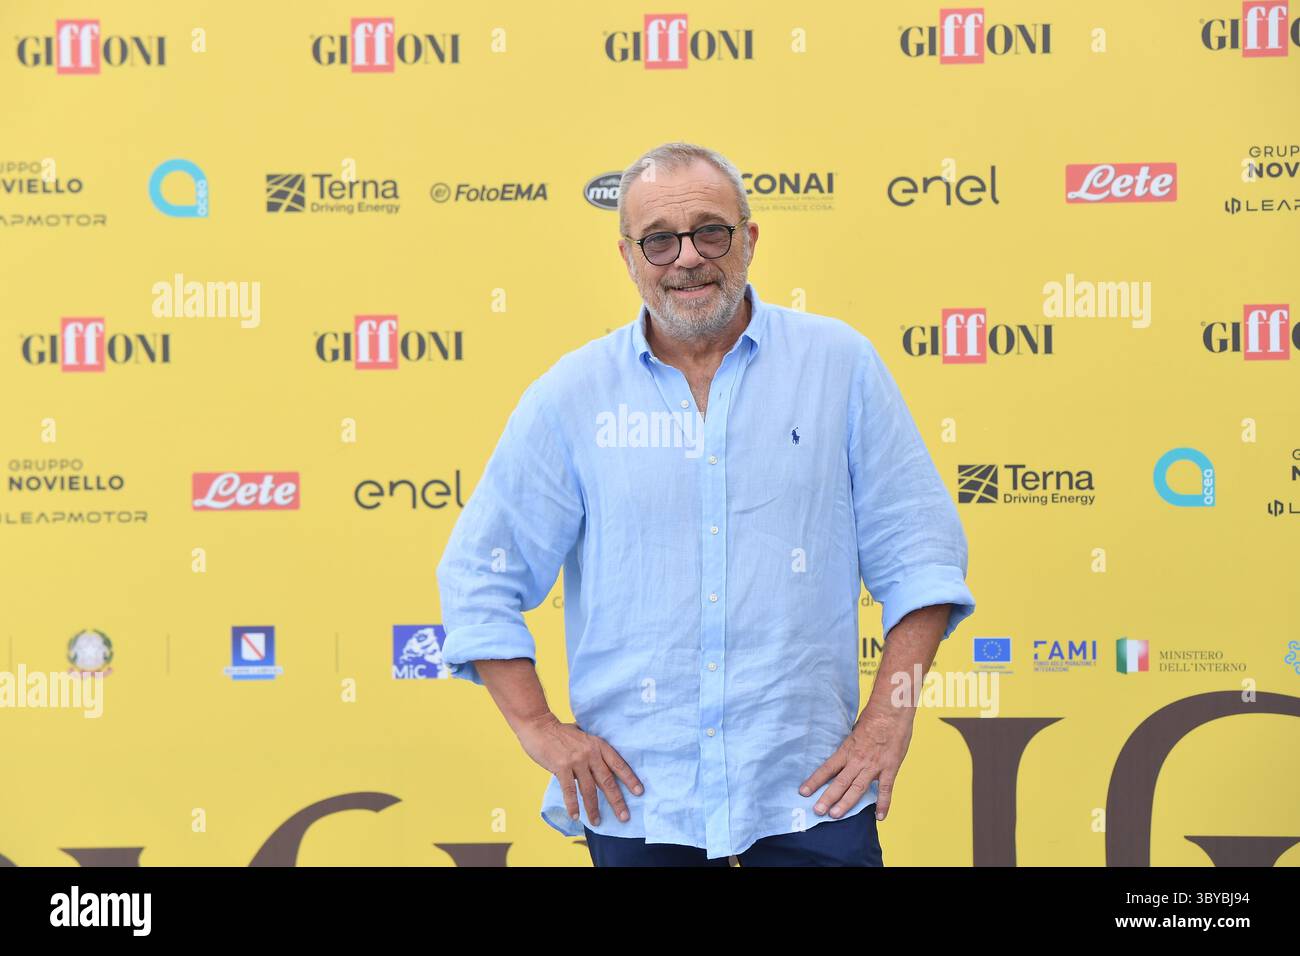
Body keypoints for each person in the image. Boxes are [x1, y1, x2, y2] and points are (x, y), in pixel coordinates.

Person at [435, 141, 975, 867]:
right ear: (626, 256)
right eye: (659, 240)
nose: (686, 257)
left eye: (710, 232)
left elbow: (924, 556)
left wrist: (889, 719)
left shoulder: (838, 366)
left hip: (813, 796)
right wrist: (538, 727)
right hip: (640, 807)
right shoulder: (572, 396)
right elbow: (478, 578)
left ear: (748, 240)